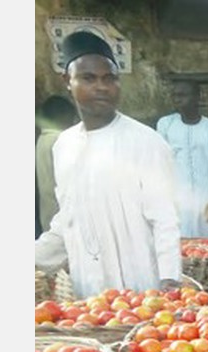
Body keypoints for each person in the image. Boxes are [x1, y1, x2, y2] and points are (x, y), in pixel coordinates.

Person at [35, 32, 182, 299]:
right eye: (89, 78)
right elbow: (66, 220)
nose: (102, 87)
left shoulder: (146, 142)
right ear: (67, 81)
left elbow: (164, 219)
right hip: (88, 294)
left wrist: (169, 281)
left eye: (109, 78)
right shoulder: (64, 146)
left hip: (142, 290)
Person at [156, 81, 208, 239]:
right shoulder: (165, 125)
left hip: (206, 200)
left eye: (182, 95)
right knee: (179, 248)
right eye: (175, 95)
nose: (177, 99)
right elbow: (160, 164)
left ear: (197, 97)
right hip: (176, 201)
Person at [36, 95, 79, 236]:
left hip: (48, 222)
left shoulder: (43, 140)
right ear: (66, 117)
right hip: (66, 226)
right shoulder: (62, 142)